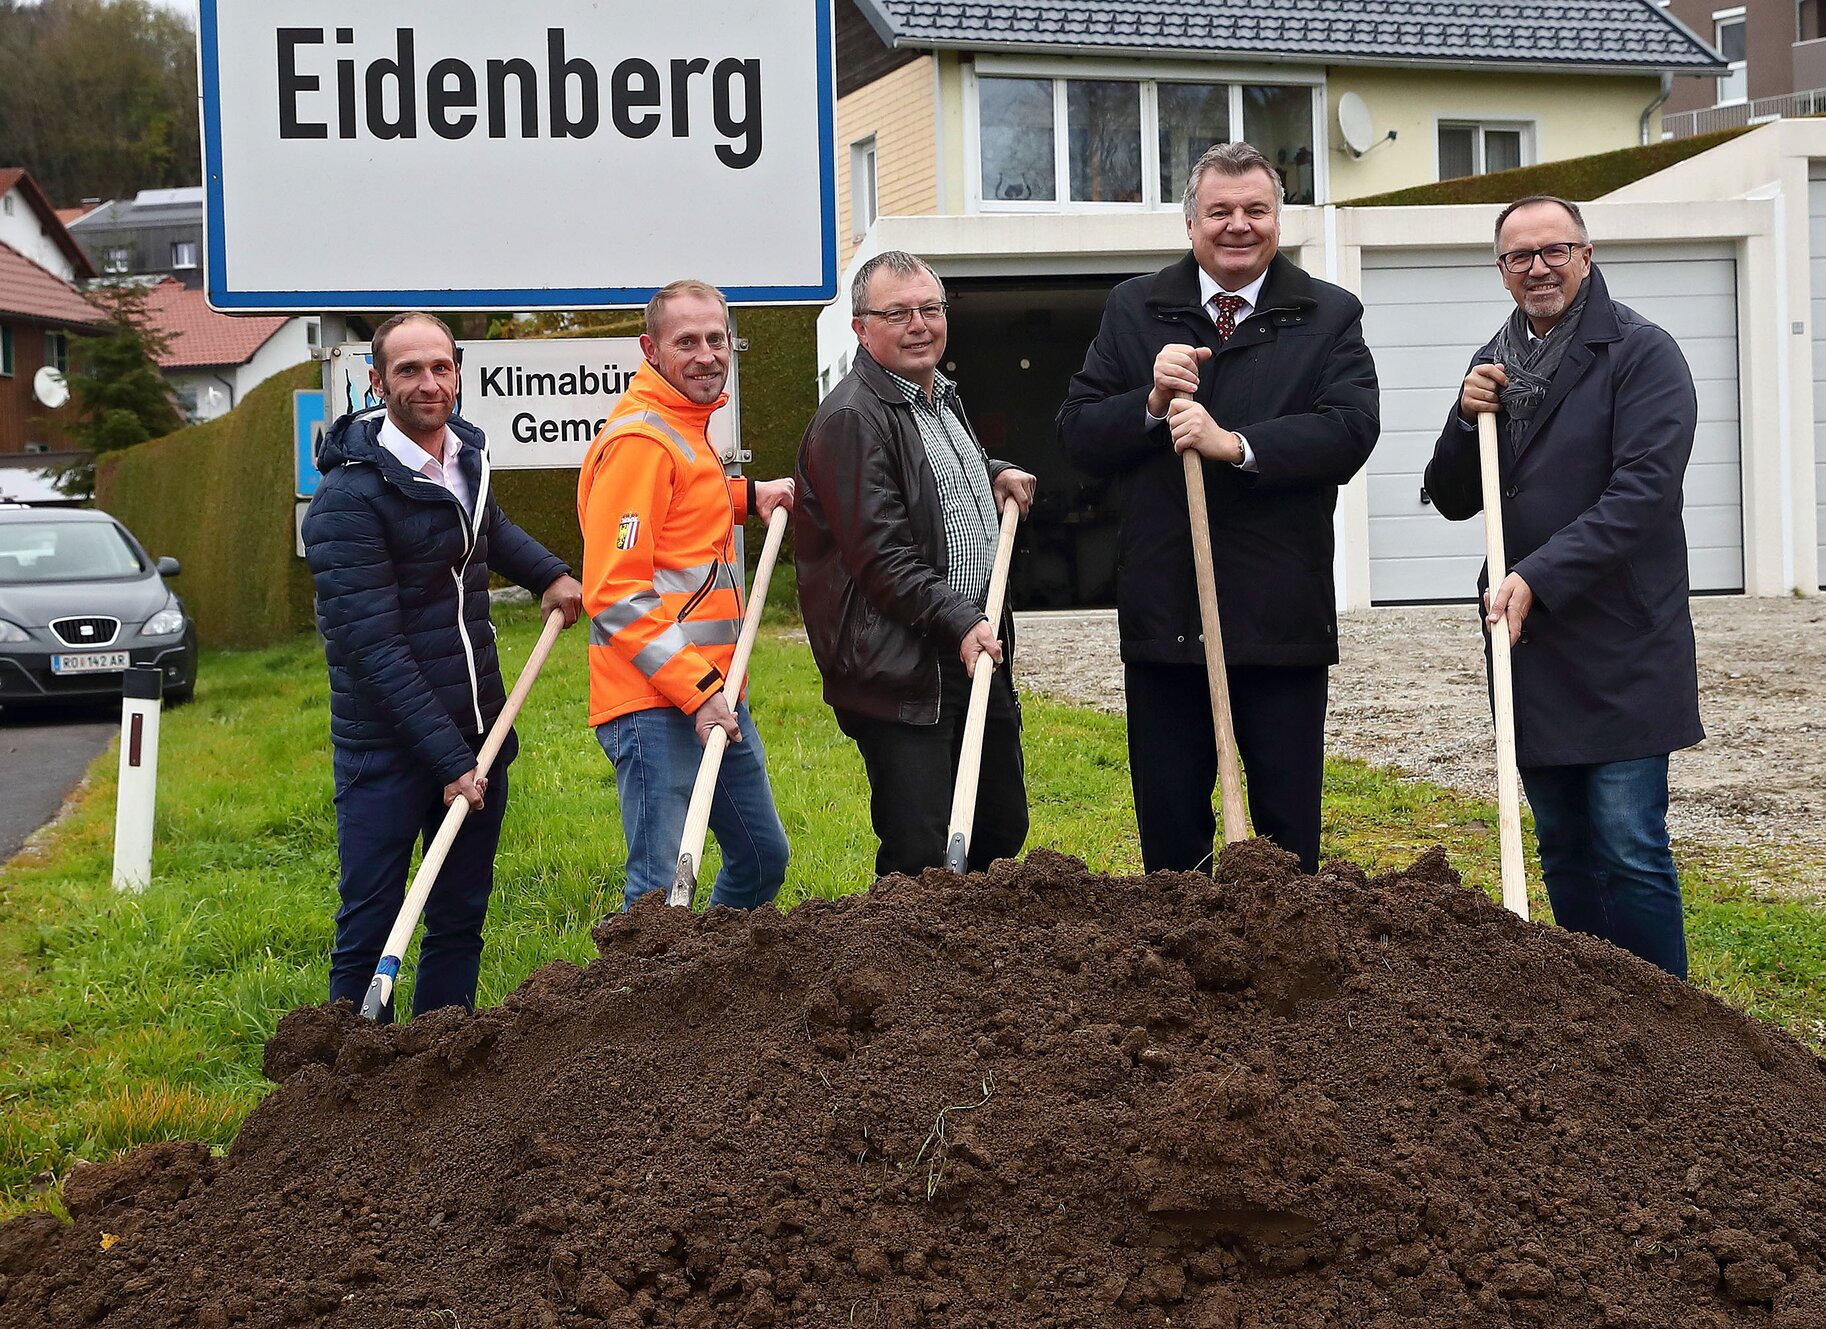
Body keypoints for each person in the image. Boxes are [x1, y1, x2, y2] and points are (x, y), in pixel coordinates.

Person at [1056, 141, 1379, 875]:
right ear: (1191, 224)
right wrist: (1148, 401)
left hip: (1280, 613)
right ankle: (1177, 978)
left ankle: (1285, 968)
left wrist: (1233, 444)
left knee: (1287, 828)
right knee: (1170, 830)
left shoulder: (1327, 314)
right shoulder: (1136, 308)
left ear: (1278, 219)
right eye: (1220, 211)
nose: (1239, 225)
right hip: (1167, 611)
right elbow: (1078, 432)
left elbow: (1350, 431)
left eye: (1256, 209)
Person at [1423, 194, 1703, 978]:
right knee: (1565, 849)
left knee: (1628, 844)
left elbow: (1642, 495)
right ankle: (1594, 1014)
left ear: (1587, 253)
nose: (1538, 267)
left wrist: (1537, 575)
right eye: (1520, 256)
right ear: (1503, 270)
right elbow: (1452, 496)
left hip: (1620, 639)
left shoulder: (1643, 354)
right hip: (1530, 645)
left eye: (1555, 250)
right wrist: (1460, 414)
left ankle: (1673, 1029)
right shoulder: (1497, 358)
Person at [305, 312, 583, 1017]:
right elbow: (375, 650)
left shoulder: (465, 457)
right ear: (375, 383)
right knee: (371, 922)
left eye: (441, 368)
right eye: (408, 370)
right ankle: (348, 1083)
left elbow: (485, 529)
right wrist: (446, 761)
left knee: (459, 917)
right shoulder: (347, 500)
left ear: (458, 373)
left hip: (479, 732)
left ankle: (439, 1065)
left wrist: (549, 574)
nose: (428, 383)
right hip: (388, 750)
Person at [794, 250, 1038, 878]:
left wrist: (992, 473)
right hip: (905, 668)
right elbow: (881, 556)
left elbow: (928, 485)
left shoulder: (937, 398)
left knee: (999, 829)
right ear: (860, 327)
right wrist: (959, 621)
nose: (919, 324)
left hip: (967, 650)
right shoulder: (851, 418)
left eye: (930, 309)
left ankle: (983, 969)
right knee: (922, 854)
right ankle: (902, 976)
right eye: (897, 313)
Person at [578, 281, 795, 911]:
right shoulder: (640, 442)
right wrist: (699, 694)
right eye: (686, 342)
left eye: (716, 338)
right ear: (650, 348)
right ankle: (638, 1005)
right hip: (658, 702)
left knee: (760, 857)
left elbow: (683, 508)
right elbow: (616, 592)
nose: (706, 354)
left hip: (713, 691)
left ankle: (707, 986)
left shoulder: (682, 426)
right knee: (659, 892)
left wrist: (748, 497)